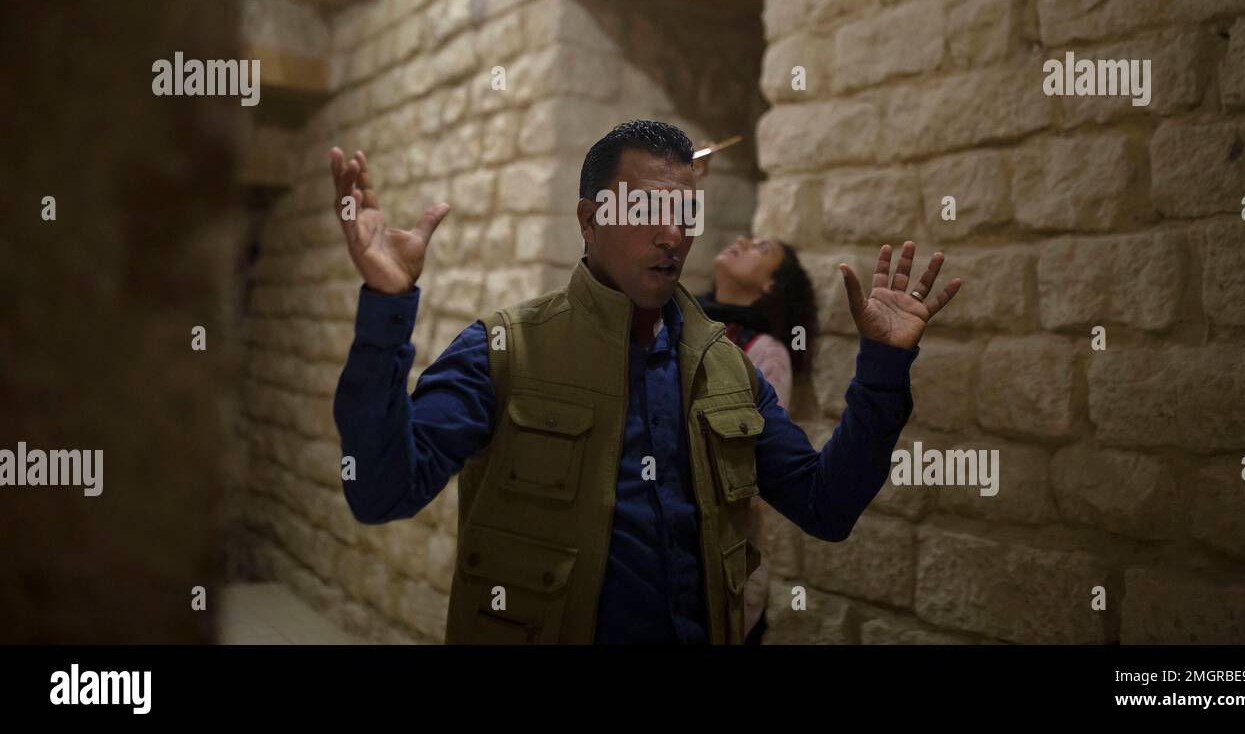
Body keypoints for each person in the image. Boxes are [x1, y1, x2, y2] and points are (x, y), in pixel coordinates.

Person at [329, 119, 962, 643]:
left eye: (686, 210)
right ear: (589, 219)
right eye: (647, 208)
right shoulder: (505, 351)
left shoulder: (724, 366)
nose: (673, 233)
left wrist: (882, 367)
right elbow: (380, 493)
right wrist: (386, 304)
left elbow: (825, 506)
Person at [696, 233, 816, 645]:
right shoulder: (687, 320)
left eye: (761, 250)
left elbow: (749, 463)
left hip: (719, 552)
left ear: (770, 286)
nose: (743, 241)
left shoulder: (765, 352)